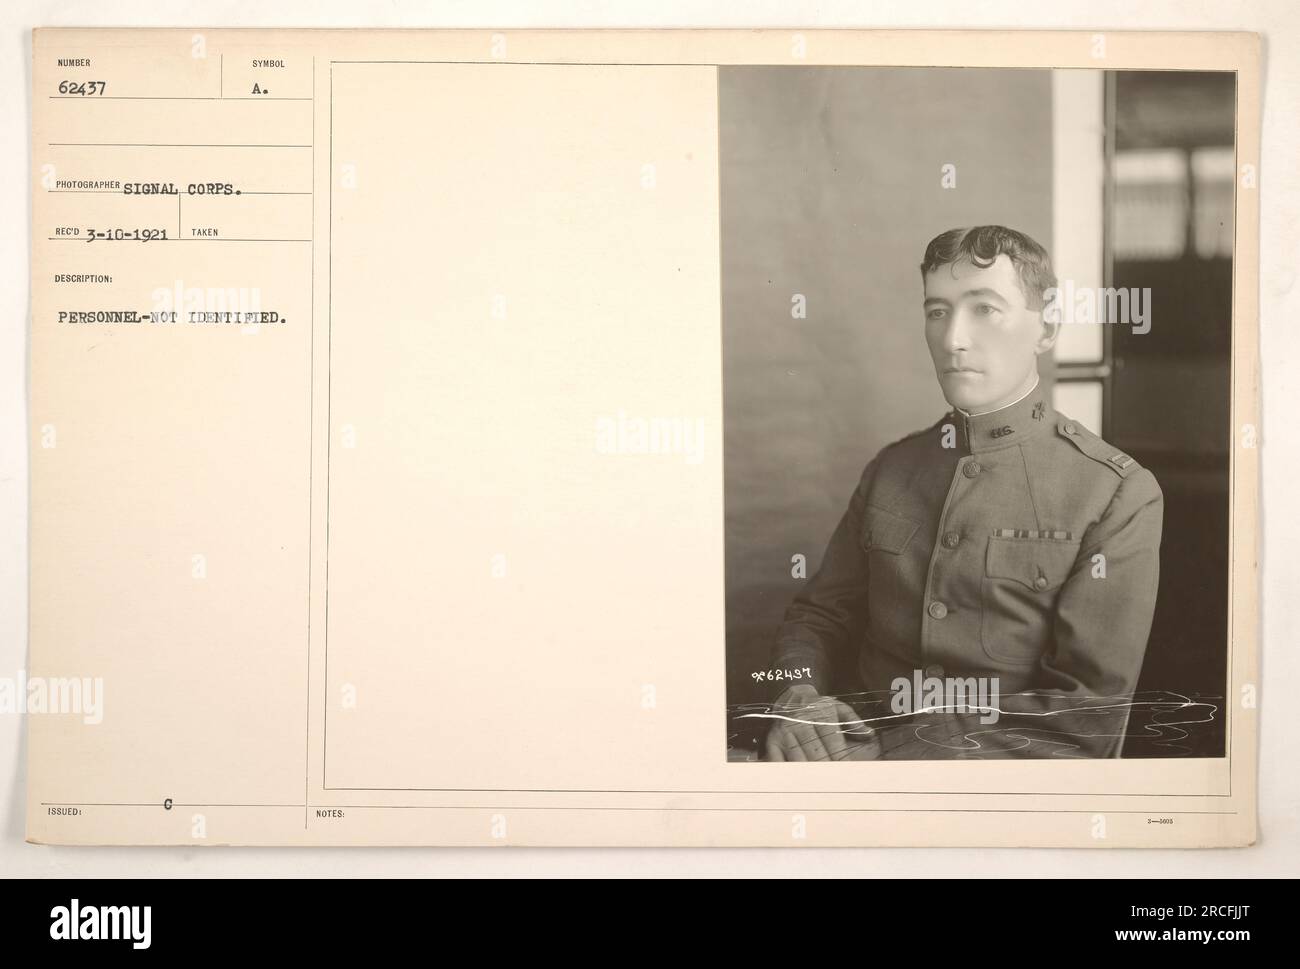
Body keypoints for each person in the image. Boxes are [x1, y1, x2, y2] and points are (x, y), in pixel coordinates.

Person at [763, 225, 1163, 761]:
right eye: (937, 311)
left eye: (985, 309)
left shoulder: (1115, 492)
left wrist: (887, 752)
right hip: (847, 773)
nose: (953, 338)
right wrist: (797, 698)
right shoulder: (893, 468)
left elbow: (1086, 720)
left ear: (1047, 327)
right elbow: (817, 616)